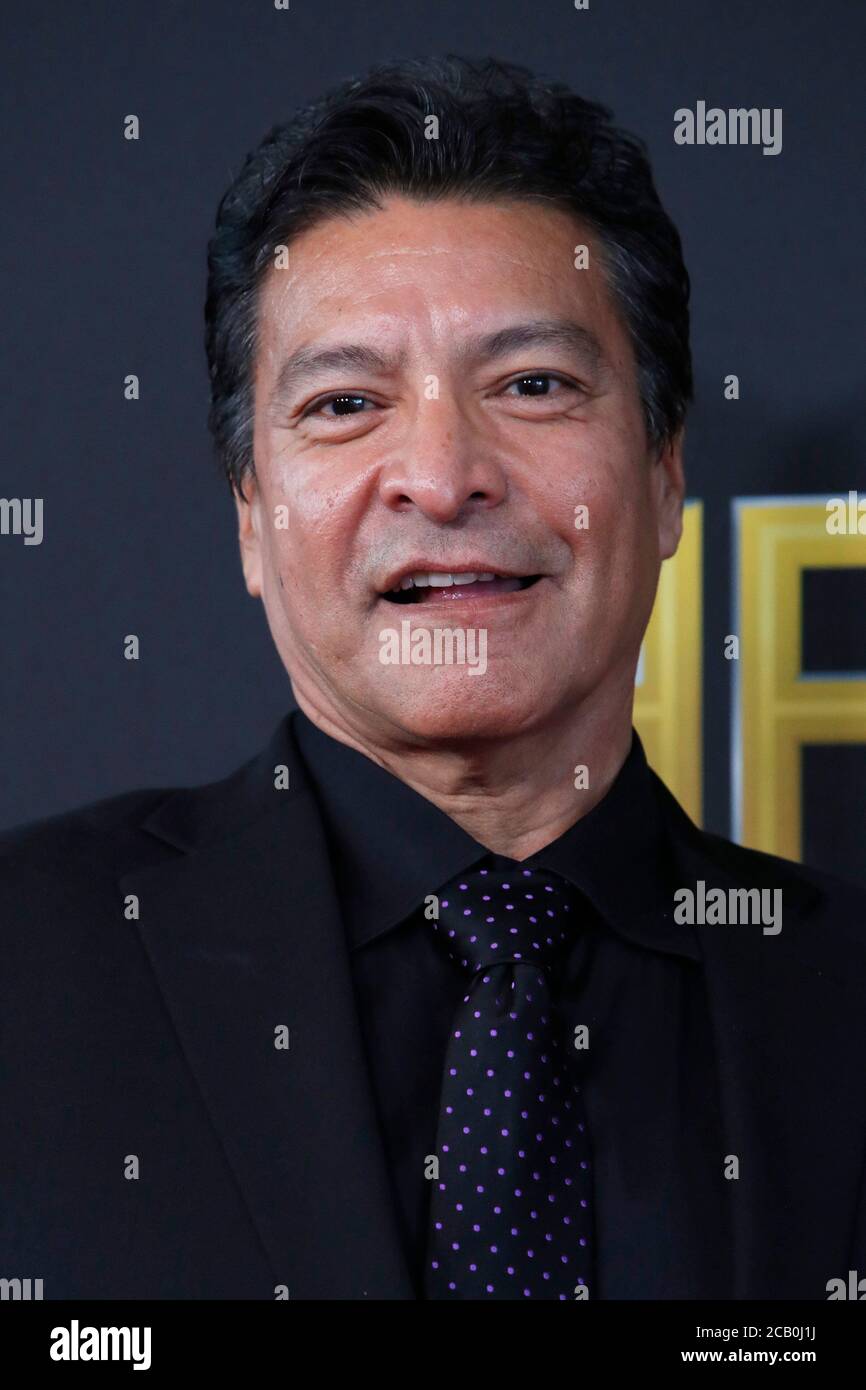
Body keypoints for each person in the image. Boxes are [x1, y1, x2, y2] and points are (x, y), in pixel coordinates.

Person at [2, 55, 865, 1301]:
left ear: (667, 473)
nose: (442, 473)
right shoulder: (27, 967)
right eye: (346, 402)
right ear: (250, 513)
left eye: (531, 385)